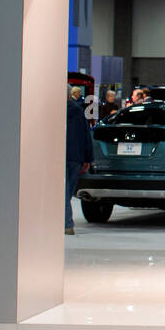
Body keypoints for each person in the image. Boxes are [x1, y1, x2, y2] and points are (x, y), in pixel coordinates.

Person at [65, 86, 94, 235]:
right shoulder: (79, 111)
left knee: (63, 193)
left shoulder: (55, 112)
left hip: (61, 157)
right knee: (68, 192)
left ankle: (67, 224)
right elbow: (86, 135)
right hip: (76, 158)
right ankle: (66, 223)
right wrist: (88, 157)